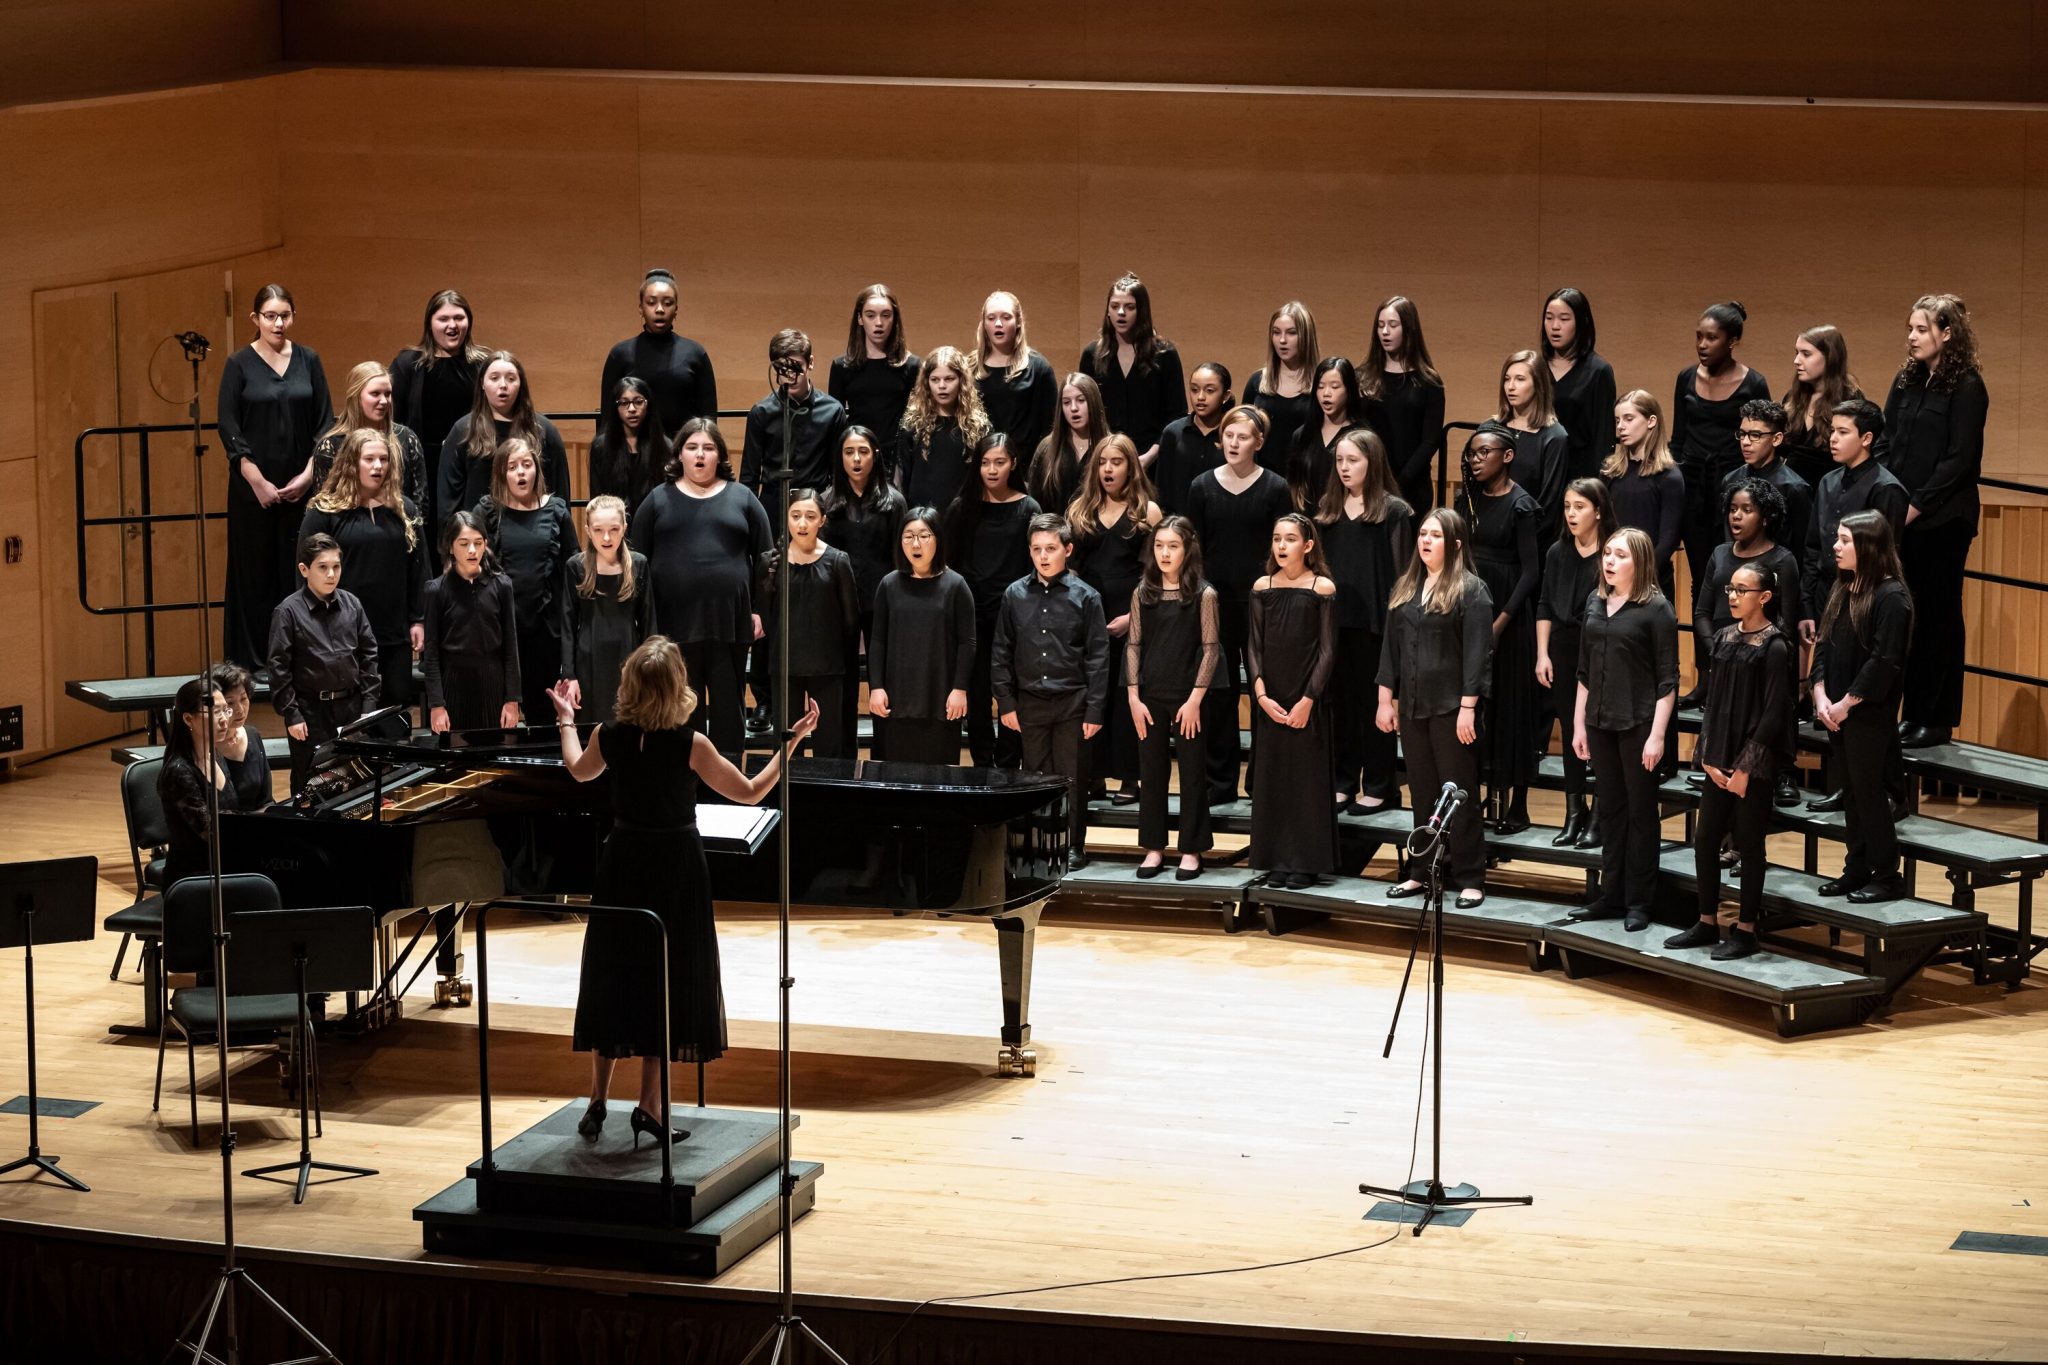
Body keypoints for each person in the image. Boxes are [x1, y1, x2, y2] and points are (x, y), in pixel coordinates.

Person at [550, 638, 818, 1146]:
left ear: (630, 684)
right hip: (675, 869)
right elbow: (751, 790)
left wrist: (566, 718)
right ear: (677, 687)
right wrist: (792, 743)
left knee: (615, 973)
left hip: (623, 862)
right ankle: (649, 1107)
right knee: (665, 981)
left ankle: (597, 1101)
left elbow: (577, 770)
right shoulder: (691, 743)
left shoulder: (609, 736)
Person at [1665, 562, 1796, 960]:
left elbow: (1774, 713)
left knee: (1749, 845)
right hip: (1717, 759)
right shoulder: (1723, 637)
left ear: (1765, 597)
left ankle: (1747, 930)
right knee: (1705, 841)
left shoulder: (1775, 647)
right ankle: (1707, 922)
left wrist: (1744, 768)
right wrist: (1705, 758)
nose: (1734, 597)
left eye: (1743, 590)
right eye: (1731, 590)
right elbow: (1715, 704)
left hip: (1751, 766)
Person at [1883, 293, 1989, 749]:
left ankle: (1936, 717)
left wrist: (1916, 504)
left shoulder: (1967, 386)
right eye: (1910, 328)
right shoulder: (1906, 381)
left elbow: (1959, 459)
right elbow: (1885, 439)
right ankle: (1912, 713)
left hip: (1944, 518)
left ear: (1947, 334)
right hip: (1904, 515)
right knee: (1909, 618)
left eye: (1921, 329)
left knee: (1939, 615)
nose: (1911, 337)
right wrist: (1889, 496)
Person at [630, 418, 771, 755]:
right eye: (692, 447)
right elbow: (636, 562)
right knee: (681, 711)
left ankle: (730, 791)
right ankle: (685, 787)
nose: (700, 455)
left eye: (708, 448)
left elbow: (766, 560)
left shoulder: (744, 498)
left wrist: (758, 610)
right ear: (679, 454)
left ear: (719, 455)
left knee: (729, 713)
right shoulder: (657, 499)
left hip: (729, 623)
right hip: (673, 626)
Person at [1377, 509, 1494, 908]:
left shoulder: (1471, 590)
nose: (1425, 540)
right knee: (1423, 794)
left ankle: (1470, 877)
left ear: (1455, 544)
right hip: (1413, 707)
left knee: (1458, 795)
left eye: (1436, 535)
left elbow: (1478, 656)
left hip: (1451, 709)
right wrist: (1384, 699)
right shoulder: (1406, 588)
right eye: (1423, 534)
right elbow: (1389, 652)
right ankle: (1420, 872)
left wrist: (1468, 707)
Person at [1184, 405, 1295, 805]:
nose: (1234, 443)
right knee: (1219, 691)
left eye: (1243, 436)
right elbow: (1193, 550)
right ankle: (1220, 780)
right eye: (1228, 435)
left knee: (1266, 686)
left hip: (1262, 602)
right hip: (1214, 602)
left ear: (1259, 442)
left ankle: (1263, 781)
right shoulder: (1201, 486)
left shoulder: (1276, 488)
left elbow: (1283, 547)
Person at [1571, 528, 1680, 933]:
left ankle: (1639, 901)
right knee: (1610, 813)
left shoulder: (1657, 609)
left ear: (1640, 562)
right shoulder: (1595, 602)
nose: (1610, 561)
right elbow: (1583, 671)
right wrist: (1580, 723)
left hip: (1638, 725)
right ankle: (1610, 894)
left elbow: (1668, 681)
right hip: (1600, 723)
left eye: (1619, 555)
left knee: (1640, 815)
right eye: (1607, 554)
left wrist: (1657, 736)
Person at [218, 284, 332, 667]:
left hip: (302, 486)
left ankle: (298, 655)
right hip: (254, 489)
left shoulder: (309, 359)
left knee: (298, 567)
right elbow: (229, 428)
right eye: (270, 316)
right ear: (255, 319)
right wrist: (257, 481)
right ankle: (252, 661)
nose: (278, 322)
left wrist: (307, 476)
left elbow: (324, 425)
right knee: (253, 571)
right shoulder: (238, 365)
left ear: (293, 316)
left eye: (285, 315)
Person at [992, 514, 1110, 869]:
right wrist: (1006, 703)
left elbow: (1098, 657)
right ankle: (1039, 842)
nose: (1044, 556)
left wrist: (1094, 710)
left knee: (1072, 777)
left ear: (1067, 550)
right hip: (1030, 703)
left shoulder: (1086, 597)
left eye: (1051, 549)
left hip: (1072, 702)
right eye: (1037, 549)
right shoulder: (1014, 595)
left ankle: (1073, 846)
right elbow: (1001, 652)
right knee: (1035, 778)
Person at [1812, 512, 1915, 902]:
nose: (1835, 547)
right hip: (1836, 711)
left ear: (1867, 546)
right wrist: (1820, 694)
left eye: (1844, 541)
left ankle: (1888, 876)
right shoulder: (1844, 587)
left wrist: (1846, 703)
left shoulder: (1892, 597)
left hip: (1866, 715)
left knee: (1870, 795)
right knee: (1852, 795)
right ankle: (1855, 869)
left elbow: (1883, 661)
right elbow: (1823, 644)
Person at [1317, 428, 1412, 812]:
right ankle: (1343, 781)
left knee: (1376, 707)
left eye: (1352, 460)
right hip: (1336, 622)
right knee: (1341, 706)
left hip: (1376, 623)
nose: (1344, 467)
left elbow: (1403, 574)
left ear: (1371, 463)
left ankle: (1379, 785)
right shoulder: (1328, 509)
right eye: (1339, 460)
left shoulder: (1393, 511)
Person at [299, 429, 428, 710]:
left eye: (384, 459)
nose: (378, 466)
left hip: (393, 633)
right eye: (369, 459)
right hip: (340, 633)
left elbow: (419, 570)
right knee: (351, 710)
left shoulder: (404, 509)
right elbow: (305, 573)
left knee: (395, 709)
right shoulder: (324, 512)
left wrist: (418, 620)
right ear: (351, 463)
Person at [1457, 422, 1542, 833]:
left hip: (1509, 613)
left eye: (1483, 452)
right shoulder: (1467, 499)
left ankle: (1518, 805)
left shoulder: (1522, 505)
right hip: (1472, 607)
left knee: (1510, 706)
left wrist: (1500, 622)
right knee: (1479, 705)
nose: (1475, 459)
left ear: (1506, 456)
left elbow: (1531, 571)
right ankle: (1478, 795)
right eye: (1471, 453)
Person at [1248, 514, 1340, 888]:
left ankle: (1303, 862)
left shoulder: (1322, 588)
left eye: (1289, 539)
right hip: (1271, 701)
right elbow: (1252, 646)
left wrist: (1308, 700)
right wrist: (1261, 695)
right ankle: (1276, 859)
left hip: (1307, 700)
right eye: (1276, 538)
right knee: (1274, 781)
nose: (1281, 546)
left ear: (1308, 545)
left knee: (1305, 783)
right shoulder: (1262, 587)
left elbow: (1328, 650)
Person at [1069, 434, 1160, 801]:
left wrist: (1131, 617)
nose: (1108, 469)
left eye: (1117, 462)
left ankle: (1129, 777)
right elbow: (1071, 571)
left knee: (1127, 698)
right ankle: (1093, 774)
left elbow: (1154, 575)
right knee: (1094, 696)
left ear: (1131, 468)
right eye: (1103, 462)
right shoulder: (1080, 510)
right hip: (1090, 616)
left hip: (1132, 615)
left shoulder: (1147, 512)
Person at [1127, 516, 1219, 880]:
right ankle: (1153, 848)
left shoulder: (1204, 594)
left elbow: (1211, 650)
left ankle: (1192, 849)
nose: (1164, 553)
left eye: (1173, 546)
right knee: (1151, 774)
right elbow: (1133, 645)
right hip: (1149, 697)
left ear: (1187, 550)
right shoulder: (1142, 592)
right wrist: (1133, 697)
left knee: (1193, 773)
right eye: (1159, 545)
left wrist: (1195, 699)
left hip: (1188, 698)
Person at [947, 433, 1040, 768]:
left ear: (1013, 464)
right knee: (977, 690)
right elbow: (950, 564)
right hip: (973, 615)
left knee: (1010, 690)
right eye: (985, 462)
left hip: (1015, 616)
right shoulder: (962, 508)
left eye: (999, 462)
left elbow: (1035, 565)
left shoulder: (1029, 508)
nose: (991, 469)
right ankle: (983, 763)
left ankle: (1009, 760)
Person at [1672, 302, 1772, 609]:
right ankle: (1705, 658)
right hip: (1694, 490)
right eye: (1699, 336)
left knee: (1735, 575)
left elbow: (1764, 443)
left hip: (1735, 491)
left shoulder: (1753, 383)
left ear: (1732, 341)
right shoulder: (1686, 378)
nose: (1702, 344)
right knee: (1701, 576)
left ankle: (1734, 650)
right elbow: (1678, 440)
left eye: (1711, 338)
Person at [1801, 398, 1909, 675]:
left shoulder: (1886, 489)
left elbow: (1886, 556)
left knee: (1855, 672)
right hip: (1827, 591)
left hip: (1865, 597)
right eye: (1832, 430)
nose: (1833, 439)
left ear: (1867, 438)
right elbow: (1813, 546)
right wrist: (1807, 604)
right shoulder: (1827, 481)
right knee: (1823, 673)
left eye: (1843, 432)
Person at [473, 437, 575, 726]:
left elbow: (572, 563)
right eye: (512, 466)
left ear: (536, 471)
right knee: (499, 711)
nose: (520, 473)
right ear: (501, 474)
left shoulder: (555, 510)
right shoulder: (488, 510)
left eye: (526, 465)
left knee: (542, 711)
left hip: (545, 628)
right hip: (500, 627)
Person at [267, 533, 380, 792]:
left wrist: (369, 707)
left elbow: (369, 656)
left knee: (355, 777)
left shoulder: (352, 605)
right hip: (310, 712)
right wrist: (292, 714)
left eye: (336, 567)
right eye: (323, 567)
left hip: (351, 708)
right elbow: (278, 667)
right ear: (304, 570)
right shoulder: (288, 612)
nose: (331, 574)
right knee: (311, 783)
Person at [1537, 478, 1615, 847]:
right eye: (1567, 506)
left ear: (1598, 511)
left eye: (1579, 507)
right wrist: (1542, 653)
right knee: (1571, 731)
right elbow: (1545, 605)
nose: (1571, 513)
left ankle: (1600, 815)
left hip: (1600, 650)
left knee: (1596, 733)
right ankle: (1574, 811)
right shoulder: (1557, 552)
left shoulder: (1612, 555)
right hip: (1564, 647)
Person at [820, 426, 907, 749]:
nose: (856, 459)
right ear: (839, 457)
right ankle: (841, 759)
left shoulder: (894, 502)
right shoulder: (827, 502)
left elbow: (900, 559)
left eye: (864, 452)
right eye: (848, 452)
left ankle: (884, 755)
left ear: (875, 456)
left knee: (883, 683)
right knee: (840, 685)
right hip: (838, 607)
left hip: (881, 604)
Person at [867, 509, 974, 764]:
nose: (916, 544)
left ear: (938, 539)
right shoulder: (888, 585)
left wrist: (960, 688)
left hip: (940, 698)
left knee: (939, 779)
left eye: (924, 536)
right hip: (895, 699)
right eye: (908, 536)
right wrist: (876, 687)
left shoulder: (956, 586)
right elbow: (878, 640)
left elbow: (967, 643)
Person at [1691, 478, 1803, 718]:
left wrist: (1752, 656)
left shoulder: (1782, 560)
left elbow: (1787, 627)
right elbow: (1702, 612)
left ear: (1765, 517)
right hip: (1723, 662)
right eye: (1732, 509)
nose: (1736, 516)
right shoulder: (1720, 553)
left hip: (1761, 668)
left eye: (1746, 510)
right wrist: (1718, 652)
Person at [761, 489, 858, 759]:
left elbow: (851, 620)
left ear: (822, 520)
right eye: (795, 516)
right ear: (787, 519)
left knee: (829, 744)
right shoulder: (770, 562)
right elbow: (768, 620)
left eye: (810, 516)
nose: (802, 524)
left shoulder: (838, 561)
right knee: (786, 745)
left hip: (827, 666)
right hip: (785, 666)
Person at [391, 288, 490, 535]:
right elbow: (394, 420)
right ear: (430, 323)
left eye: (459, 317)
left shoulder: (482, 364)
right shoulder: (408, 363)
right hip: (423, 465)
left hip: (469, 464)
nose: (452, 325)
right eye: (443, 319)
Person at [439, 351, 571, 519]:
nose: (503, 385)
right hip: (479, 538)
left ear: (520, 384)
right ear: (482, 383)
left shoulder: (543, 429)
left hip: (534, 535)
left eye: (511, 379)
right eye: (494, 378)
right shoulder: (463, 430)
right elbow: (448, 502)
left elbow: (560, 494)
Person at [422, 511, 521, 734]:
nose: (472, 550)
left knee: (494, 754)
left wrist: (512, 699)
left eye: (478, 543)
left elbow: (511, 647)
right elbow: (431, 654)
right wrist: (437, 704)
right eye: (464, 544)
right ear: (450, 547)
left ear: (485, 544)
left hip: (492, 681)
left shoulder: (502, 585)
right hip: (453, 683)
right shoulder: (436, 590)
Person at [559, 494, 650, 727]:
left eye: (614, 529)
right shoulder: (576, 566)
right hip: (588, 663)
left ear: (625, 528)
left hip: (628, 661)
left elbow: (650, 624)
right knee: (591, 731)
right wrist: (570, 676)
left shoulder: (639, 564)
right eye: (598, 530)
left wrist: (649, 674)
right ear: (588, 530)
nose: (606, 537)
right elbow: (567, 626)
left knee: (627, 729)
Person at [1081, 270, 1187, 463]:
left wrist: (1150, 456)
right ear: (1108, 311)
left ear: (1142, 311)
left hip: (1152, 460)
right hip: (1105, 460)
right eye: (1115, 306)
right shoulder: (1092, 355)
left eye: (1129, 307)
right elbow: (1086, 410)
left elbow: (1177, 415)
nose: (1121, 312)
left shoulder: (1164, 355)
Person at [598, 268, 717, 437]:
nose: (660, 309)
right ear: (640, 308)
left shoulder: (696, 354)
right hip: (634, 455)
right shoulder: (619, 354)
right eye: (651, 302)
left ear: (676, 309)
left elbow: (708, 419)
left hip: (682, 455)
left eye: (668, 303)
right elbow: (608, 419)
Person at [1359, 294, 1447, 515]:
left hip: (1412, 487)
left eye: (1392, 325)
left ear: (1408, 329)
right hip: (1367, 484)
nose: (1385, 332)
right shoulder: (1362, 376)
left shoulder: (1428, 381)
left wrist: (1398, 483)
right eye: (1380, 326)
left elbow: (1430, 441)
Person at [740, 328, 849, 496]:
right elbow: (749, 477)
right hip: (773, 502)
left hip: (816, 502)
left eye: (796, 367)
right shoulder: (761, 412)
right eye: (782, 369)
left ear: (810, 362)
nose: (790, 376)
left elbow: (838, 473)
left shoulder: (833, 411)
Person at [310, 360, 428, 513]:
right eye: (375, 394)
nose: (384, 401)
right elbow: (323, 505)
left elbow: (421, 502)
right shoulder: (331, 445)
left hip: (398, 529)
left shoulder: (406, 438)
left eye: (388, 394)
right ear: (356, 396)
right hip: (347, 530)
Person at [1603, 389, 1684, 597]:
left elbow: (1668, 541)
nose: (1621, 426)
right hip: (1612, 579)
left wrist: (1635, 576)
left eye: (1629, 419)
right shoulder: (1610, 472)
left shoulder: (1669, 477)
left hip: (1651, 582)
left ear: (1651, 421)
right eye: (1617, 420)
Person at [158, 677, 237, 887]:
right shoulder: (179, 772)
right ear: (188, 719)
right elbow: (210, 834)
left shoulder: (216, 756)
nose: (223, 719)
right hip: (193, 880)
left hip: (223, 866)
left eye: (225, 710)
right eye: (214, 711)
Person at [829, 284, 922, 456]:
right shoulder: (841, 366)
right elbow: (836, 425)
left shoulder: (912, 365)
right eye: (870, 315)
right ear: (860, 318)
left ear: (894, 319)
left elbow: (916, 422)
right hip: (858, 457)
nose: (878, 323)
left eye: (886, 315)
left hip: (897, 459)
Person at [1723, 399, 1812, 574]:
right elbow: (1726, 540)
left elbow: (1802, 550)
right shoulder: (1730, 480)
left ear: (1777, 439)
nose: (1745, 442)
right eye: (1742, 434)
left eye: (1755, 435)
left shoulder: (1795, 488)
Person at [898, 345, 990, 514]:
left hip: (964, 516)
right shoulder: (912, 426)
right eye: (935, 379)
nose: (942, 386)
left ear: (961, 380)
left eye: (949, 379)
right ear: (926, 382)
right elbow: (904, 477)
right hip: (922, 519)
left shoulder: (978, 427)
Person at [972, 291, 1058, 466]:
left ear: (1018, 322)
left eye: (1006, 317)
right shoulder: (969, 368)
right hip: (980, 469)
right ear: (984, 324)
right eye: (991, 318)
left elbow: (1050, 427)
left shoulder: (1039, 368)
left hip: (1025, 470)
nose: (998, 323)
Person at [1542, 287, 1619, 483]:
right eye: (1549, 318)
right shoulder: (1536, 367)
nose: (1555, 326)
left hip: (1579, 476)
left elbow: (1603, 438)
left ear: (1581, 323)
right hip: (1540, 471)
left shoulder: (1598, 370)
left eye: (1564, 319)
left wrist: (1595, 486)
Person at [1497, 349, 1569, 540]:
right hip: (1490, 536)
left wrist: (1520, 535)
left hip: (1529, 540)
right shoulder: (1492, 428)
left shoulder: (1554, 436)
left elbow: (1549, 503)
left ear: (1538, 384)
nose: (1510, 386)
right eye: (1506, 379)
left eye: (1520, 379)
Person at [1781, 323, 1862, 491]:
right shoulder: (1792, 398)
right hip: (1792, 496)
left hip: (1831, 495)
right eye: (1797, 353)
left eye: (1806, 354)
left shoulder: (1851, 401)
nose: (1796, 361)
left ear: (1830, 357)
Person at [1242, 301, 1319, 468]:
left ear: (1306, 336)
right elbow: (1244, 433)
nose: (1282, 340)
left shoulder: (1322, 384)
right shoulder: (1256, 382)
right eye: (1276, 333)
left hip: (1306, 479)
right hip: (1263, 478)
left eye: (1291, 333)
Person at [1288, 356, 1366, 513]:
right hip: (1307, 523)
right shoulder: (1302, 435)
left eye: (1335, 387)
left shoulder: (1361, 436)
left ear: (1349, 390)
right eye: (1320, 386)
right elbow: (1294, 484)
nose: (1326, 393)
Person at [588, 375, 673, 515]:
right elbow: (598, 498)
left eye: (638, 402)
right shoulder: (601, 446)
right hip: (614, 524)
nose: (632, 409)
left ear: (648, 404)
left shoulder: (664, 446)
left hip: (653, 523)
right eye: (624, 403)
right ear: (616, 407)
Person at [1153, 363, 1230, 516]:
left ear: (1225, 396)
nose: (1200, 397)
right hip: (1180, 527)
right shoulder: (1173, 433)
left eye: (1210, 390)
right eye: (1194, 390)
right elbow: (1162, 490)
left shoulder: (1232, 435)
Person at [1028, 372, 1109, 515]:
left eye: (1081, 400)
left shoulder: (1110, 447)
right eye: (1066, 402)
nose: (1073, 408)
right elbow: (1035, 503)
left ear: (1093, 402)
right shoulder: (1047, 448)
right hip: (1055, 534)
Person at [206, 661, 271, 811]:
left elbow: (266, 800)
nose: (240, 710)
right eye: (230, 703)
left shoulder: (252, 735)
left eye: (243, 699)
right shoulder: (203, 747)